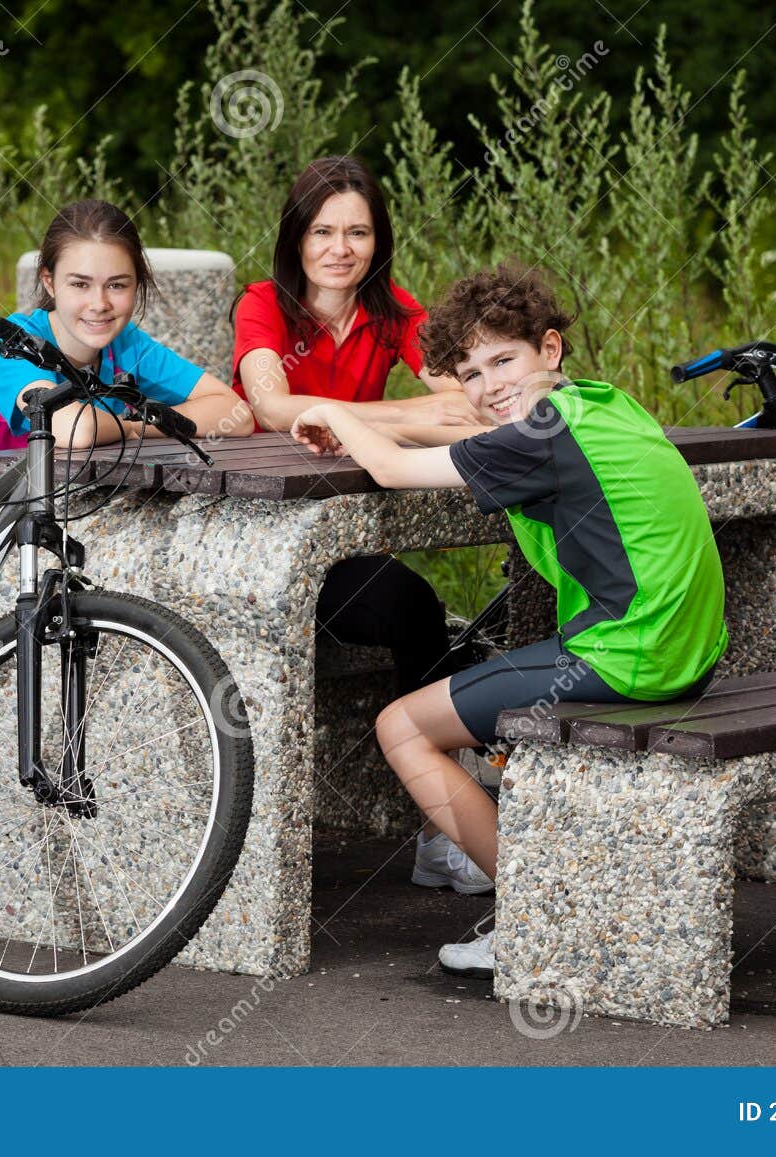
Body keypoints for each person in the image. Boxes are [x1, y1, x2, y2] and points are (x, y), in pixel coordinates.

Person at [289, 265, 728, 976]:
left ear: (548, 350)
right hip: (687, 651)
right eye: (469, 373)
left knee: (400, 726)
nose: (490, 386)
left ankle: (532, 916)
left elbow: (395, 472)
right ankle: (533, 880)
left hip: (632, 656)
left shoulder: (541, 434)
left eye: (504, 360)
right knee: (495, 677)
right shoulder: (599, 403)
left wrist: (338, 414)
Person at [234, 155, 491, 895]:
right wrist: (406, 418)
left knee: (420, 612)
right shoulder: (263, 304)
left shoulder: (395, 312)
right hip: (261, 537)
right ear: (296, 237)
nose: (340, 248)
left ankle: (440, 836)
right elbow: (277, 408)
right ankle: (443, 825)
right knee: (413, 607)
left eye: (358, 231)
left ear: (379, 241)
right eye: (323, 231)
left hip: (342, 536)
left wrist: (380, 421)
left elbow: (465, 402)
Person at [0, 199, 253, 635]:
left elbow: (235, 412)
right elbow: (74, 428)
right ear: (49, 283)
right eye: (80, 284)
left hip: (52, 554)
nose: (100, 304)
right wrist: (143, 421)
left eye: (117, 285)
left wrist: (139, 422)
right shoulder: (13, 345)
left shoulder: (125, 345)